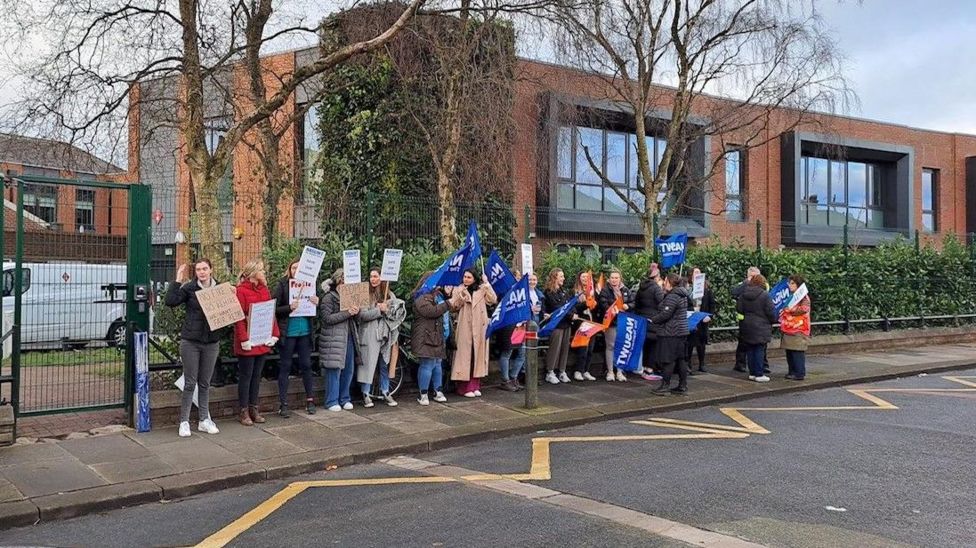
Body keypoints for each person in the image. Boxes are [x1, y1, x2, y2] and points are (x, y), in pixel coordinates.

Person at [165, 258, 222, 438]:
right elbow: (170, 301)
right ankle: (184, 422)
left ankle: (204, 419)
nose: (202, 272)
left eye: (205, 268)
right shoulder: (190, 288)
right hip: (191, 341)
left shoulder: (220, 289)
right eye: (198, 270)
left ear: (211, 270)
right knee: (190, 383)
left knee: (205, 382)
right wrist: (178, 280)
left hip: (211, 342)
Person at [233, 259, 280, 426]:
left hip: (261, 339)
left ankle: (254, 407)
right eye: (261, 270)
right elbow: (238, 317)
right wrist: (244, 339)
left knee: (256, 376)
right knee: (246, 377)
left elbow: (269, 313)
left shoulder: (264, 290)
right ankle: (243, 410)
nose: (264, 273)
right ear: (253, 273)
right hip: (248, 341)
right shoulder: (241, 291)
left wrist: (274, 334)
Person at [273, 259, 319, 418]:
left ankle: (310, 400)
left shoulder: (310, 284)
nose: (296, 270)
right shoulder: (282, 285)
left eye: (300, 268)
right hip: (289, 333)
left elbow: (315, 307)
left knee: (306, 365)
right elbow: (274, 308)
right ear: (289, 269)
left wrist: (316, 301)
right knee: (285, 366)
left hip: (305, 332)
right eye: (294, 268)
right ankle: (283, 404)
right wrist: (288, 308)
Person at [411, 271, 463, 405]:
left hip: (437, 336)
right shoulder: (421, 298)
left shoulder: (438, 296)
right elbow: (432, 311)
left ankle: (438, 390)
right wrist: (448, 303)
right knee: (427, 365)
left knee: (437, 364)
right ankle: (423, 394)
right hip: (425, 338)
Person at [358, 267, 406, 407]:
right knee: (368, 364)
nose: (373, 279)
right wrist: (379, 310)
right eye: (371, 276)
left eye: (376, 276)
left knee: (384, 363)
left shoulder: (389, 294)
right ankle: (366, 393)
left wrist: (388, 309)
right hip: (370, 334)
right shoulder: (365, 295)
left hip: (386, 335)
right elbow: (363, 315)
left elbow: (395, 314)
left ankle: (385, 391)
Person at [449, 268, 498, 397]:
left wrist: (487, 284)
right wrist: (461, 299)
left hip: (480, 327)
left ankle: (475, 385)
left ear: (475, 278)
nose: (466, 279)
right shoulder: (459, 289)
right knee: (465, 357)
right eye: (465, 277)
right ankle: (463, 387)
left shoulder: (481, 289)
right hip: (465, 327)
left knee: (478, 356)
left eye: (469, 277)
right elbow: (453, 307)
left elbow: (493, 299)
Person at [318, 269, 362, 411]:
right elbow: (327, 318)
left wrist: (356, 312)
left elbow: (356, 318)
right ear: (339, 281)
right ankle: (332, 400)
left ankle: (345, 398)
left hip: (349, 336)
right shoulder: (328, 297)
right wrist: (347, 313)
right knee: (334, 369)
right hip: (334, 338)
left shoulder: (351, 297)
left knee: (349, 369)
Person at [651, 273, 691, 396]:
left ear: (670, 282)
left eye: (665, 280)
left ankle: (665, 385)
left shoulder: (672, 296)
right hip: (682, 332)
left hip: (671, 332)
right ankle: (682, 385)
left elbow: (665, 314)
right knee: (681, 360)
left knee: (668, 360)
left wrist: (653, 319)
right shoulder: (682, 294)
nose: (663, 282)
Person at [736, 273, 777, 383]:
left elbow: (739, 309)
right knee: (759, 349)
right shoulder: (765, 295)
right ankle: (759, 374)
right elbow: (771, 312)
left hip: (746, 325)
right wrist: (774, 320)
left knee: (750, 349)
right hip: (761, 326)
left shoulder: (743, 294)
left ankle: (752, 373)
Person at [598, 269, 634, 382]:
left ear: (620, 279)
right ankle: (610, 371)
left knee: (622, 347)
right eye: (612, 278)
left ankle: (619, 371)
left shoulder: (625, 290)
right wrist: (615, 309)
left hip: (624, 322)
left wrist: (628, 306)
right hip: (611, 323)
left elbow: (633, 302)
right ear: (609, 279)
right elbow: (603, 305)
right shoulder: (605, 290)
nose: (614, 280)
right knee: (611, 346)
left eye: (616, 278)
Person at [732, 266, 770, 375]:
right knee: (744, 344)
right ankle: (741, 364)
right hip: (745, 320)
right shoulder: (743, 285)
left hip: (758, 320)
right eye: (751, 276)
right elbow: (734, 292)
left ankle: (763, 365)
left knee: (760, 346)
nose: (753, 278)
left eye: (755, 276)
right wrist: (745, 283)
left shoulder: (764, 286)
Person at [543, 268, 576, 383]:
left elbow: (570, 304)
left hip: (566, 324)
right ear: (555, 277)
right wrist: (571, 315)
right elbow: (557, 307)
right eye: (561, 276)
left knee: (564, 348)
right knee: (555, 348)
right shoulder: (548, 292)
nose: (563, 278)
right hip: (556, 324)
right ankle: (550, 371)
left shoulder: (564, 291)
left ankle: (562, 371)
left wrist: (574, 313)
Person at [634, 263, 664, 380]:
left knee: (645, 345)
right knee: (653, 346)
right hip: (654, 320)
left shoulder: (641, 287)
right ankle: (649, 369)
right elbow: (662, 304)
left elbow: (637, 305)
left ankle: (644, 367)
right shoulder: (656, 288)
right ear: (656, 277)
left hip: (642, 320)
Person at [780, 275, 811, 381]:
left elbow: (804, 309)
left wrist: (790, 310)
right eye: (789, 283)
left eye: (792, 283)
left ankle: (799, 373)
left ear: (798, 285)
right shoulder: (791, 296)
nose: (790, 285)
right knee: (790, 351)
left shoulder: (803, 297)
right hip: (789, 328)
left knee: (797, 351)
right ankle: (792, 371)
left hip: (799, 328)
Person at [685, 267, 715, 375]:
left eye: (699, 272)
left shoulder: (706, 289)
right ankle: (688, 365)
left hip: (702, 320)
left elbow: (712, 305)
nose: (698, 274)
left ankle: (702, 364)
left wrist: (710, 317)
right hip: (691, 319)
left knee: (701, 344)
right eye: (696, 272)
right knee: (689, 343)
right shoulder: (687, 288)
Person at [570, 271, 598, 382]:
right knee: (583, 348)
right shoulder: (575, 292)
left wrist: (595, 304)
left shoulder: (593, 291)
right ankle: (578, 370)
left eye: (587, 277)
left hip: (593, 322)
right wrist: (585, 304)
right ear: (579, 278)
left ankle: (586, 370)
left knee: (591, 348)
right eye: (583, 276)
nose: (585, 278)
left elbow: (599, 307)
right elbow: (574, 307)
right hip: (581, 322)